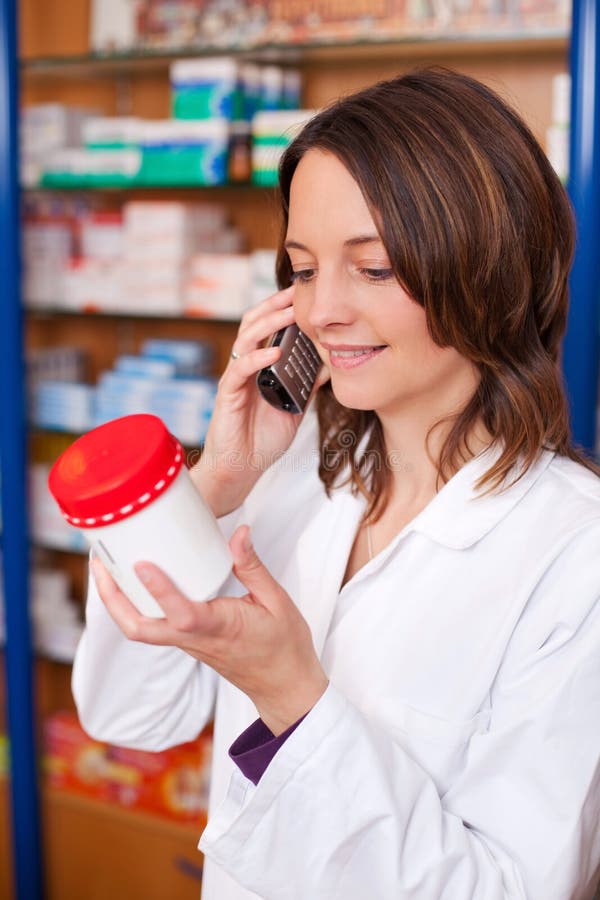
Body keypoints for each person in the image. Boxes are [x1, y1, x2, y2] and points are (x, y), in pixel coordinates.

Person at [72, 68, 600, 899]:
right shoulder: (298, 480)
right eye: (304, 268)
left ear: (490, 269)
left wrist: (292, 696)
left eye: (375, 269)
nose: (322, 313)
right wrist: (213, 486)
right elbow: (131, 718)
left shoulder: (574, 554)